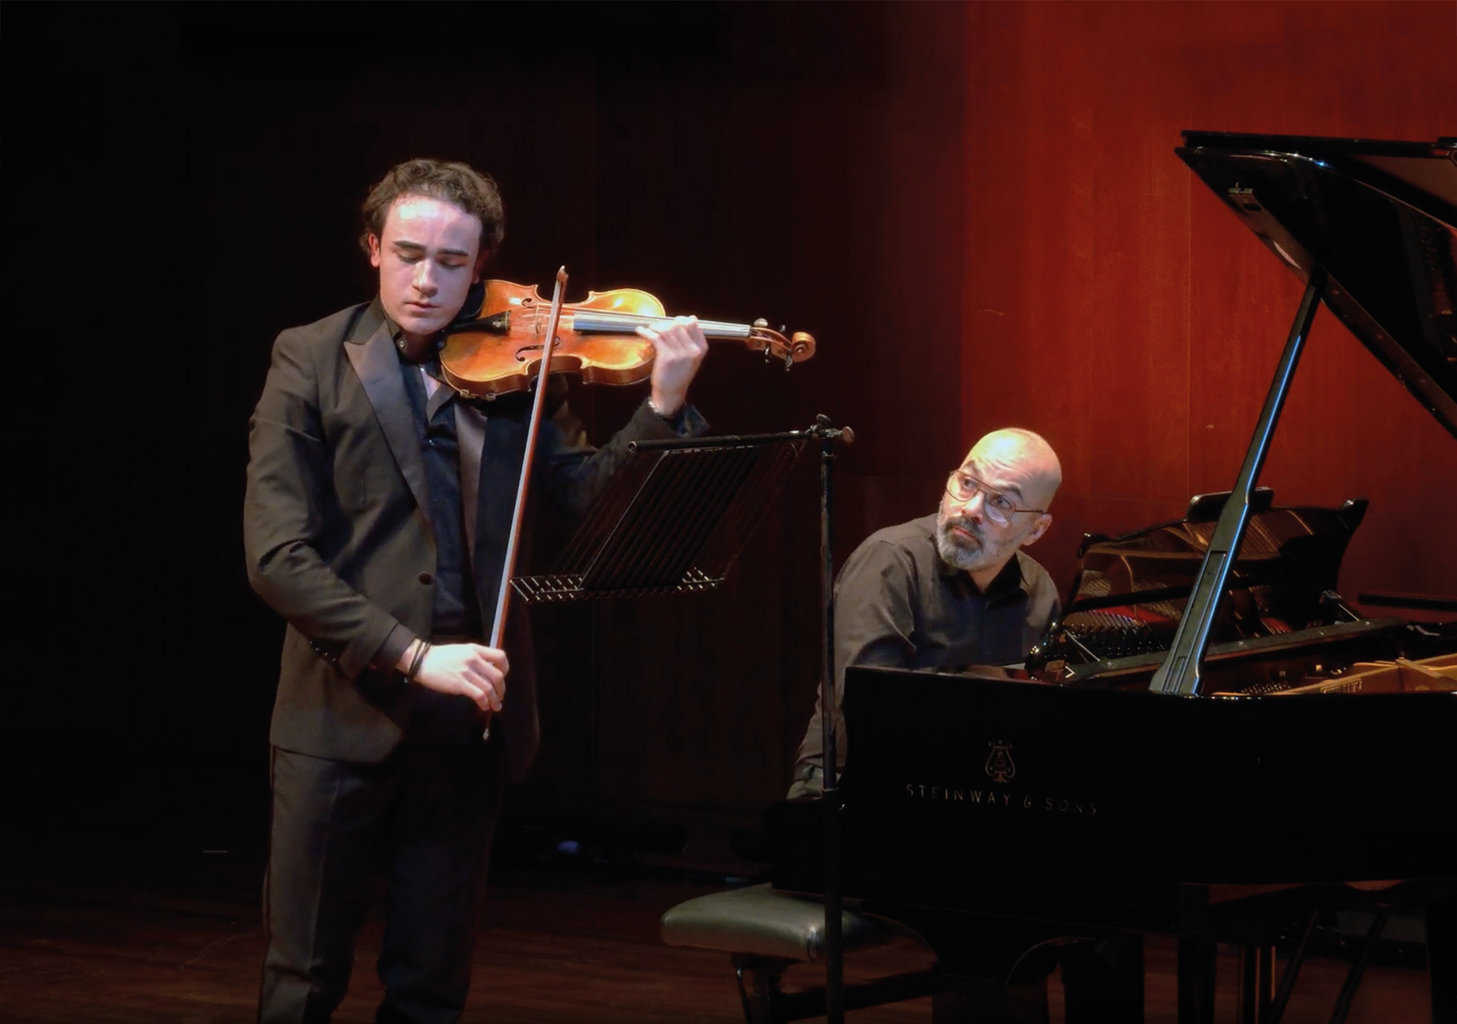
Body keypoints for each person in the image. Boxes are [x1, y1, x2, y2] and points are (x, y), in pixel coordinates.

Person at [243, 158, 709, 1023]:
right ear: (372, 248)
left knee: (431, 985)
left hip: (468, 727)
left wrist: (662, 403)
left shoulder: (524, 369)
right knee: (302, 978)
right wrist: (414, 654)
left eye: (451, 263)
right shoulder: (308, 358)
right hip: (336, 719)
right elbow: (277, 557)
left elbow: (589, 512)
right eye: (409, 253)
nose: (426, 280)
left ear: (482, 264)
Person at [787, 427, 1062, 798]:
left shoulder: (1039, 591)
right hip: (850, 786)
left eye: (1002, 503)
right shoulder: (889, 561)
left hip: (968, 790)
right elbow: (870, 711)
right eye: (967, 483)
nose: (971, 509)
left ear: (1036, 529)